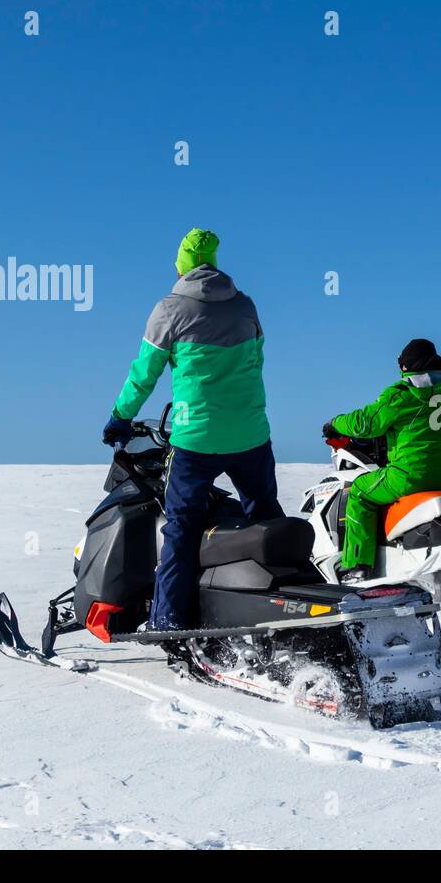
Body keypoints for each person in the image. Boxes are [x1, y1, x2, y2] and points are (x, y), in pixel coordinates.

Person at [103, 228, 284, 630]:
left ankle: (168, 620)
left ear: (181, 263)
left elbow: (143, 375)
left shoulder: (169, 309)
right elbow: (256, 362)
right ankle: (284, 599)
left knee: (181, 529)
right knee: (265, 517)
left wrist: (119, 416)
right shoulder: (245, 306)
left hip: (195, 439)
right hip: (251, 434)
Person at [323, 339, 441, 582]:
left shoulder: (401, 395)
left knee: (360, 493)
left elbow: (365, 423)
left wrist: (335, 423)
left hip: (411, 477)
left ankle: (357, 566)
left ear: (406, 367)